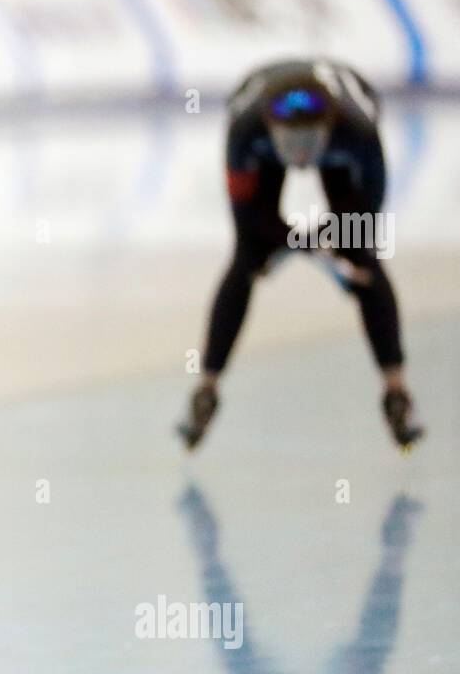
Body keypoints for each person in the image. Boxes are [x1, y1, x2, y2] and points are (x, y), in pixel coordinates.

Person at [178, 59, 424, 451]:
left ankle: (397, 390)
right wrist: (304, 242)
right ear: (270, 129)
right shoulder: (245, 130)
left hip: (341, 140)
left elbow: (365, 215)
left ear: (328, 128)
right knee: (245, 260)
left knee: (362, 257)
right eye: (290, 143)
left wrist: (331, 245)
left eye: (309, 142)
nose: (300, 155)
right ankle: (206, 387)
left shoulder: (358, 130)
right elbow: (250, 221)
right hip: (267, 130)